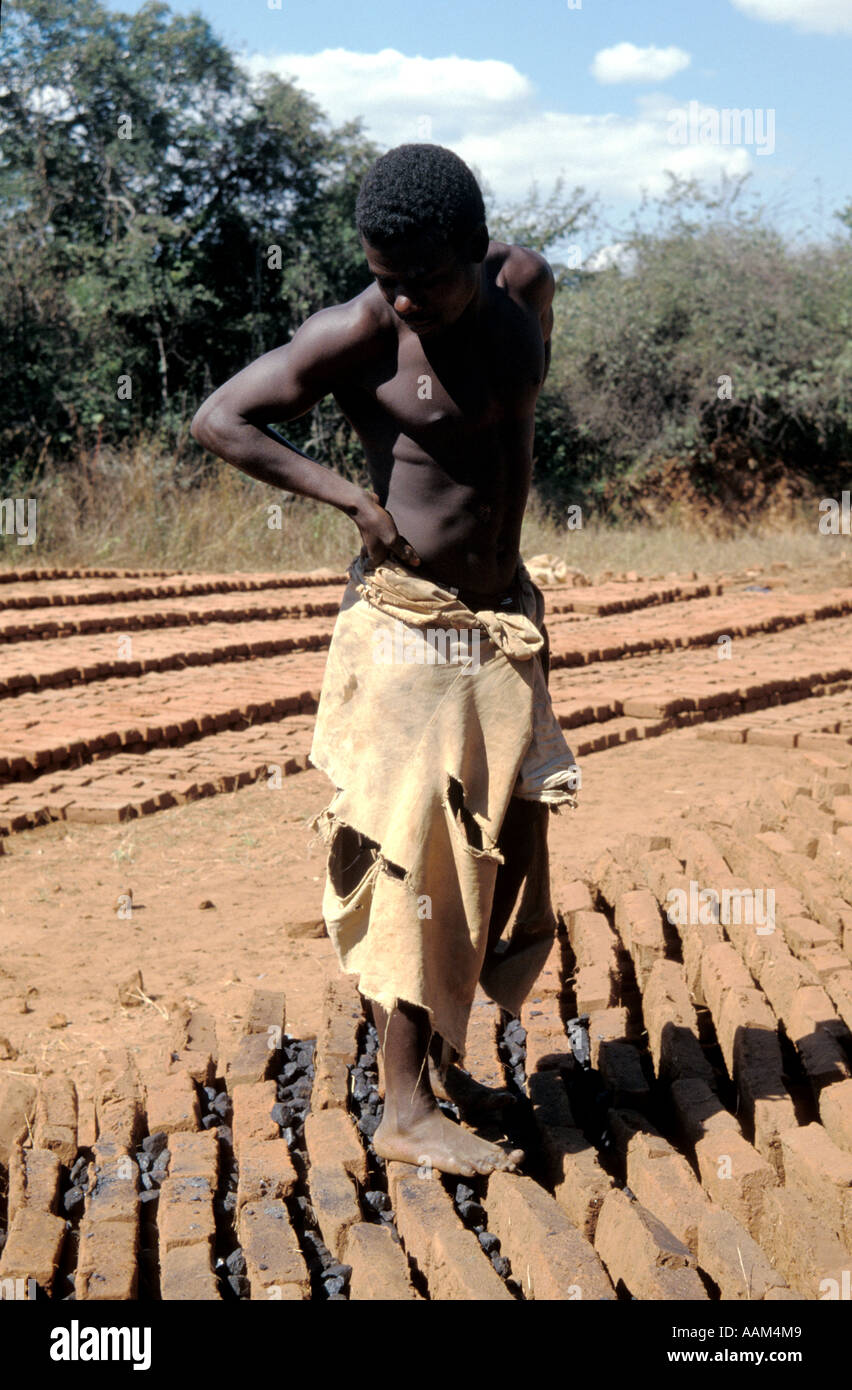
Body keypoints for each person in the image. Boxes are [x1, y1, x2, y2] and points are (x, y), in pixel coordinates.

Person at [191, 143, 579, 1178]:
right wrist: (352, 500)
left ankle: (440, 1069)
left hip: (502, 620)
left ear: (477, 249)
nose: (405, 298)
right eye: (386, 276)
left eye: (426, 279)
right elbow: (219, 418)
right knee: (418, 860)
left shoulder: (528, 288)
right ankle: (401, 1108)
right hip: (413, 627)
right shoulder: (358, 333)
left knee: (499, 848)